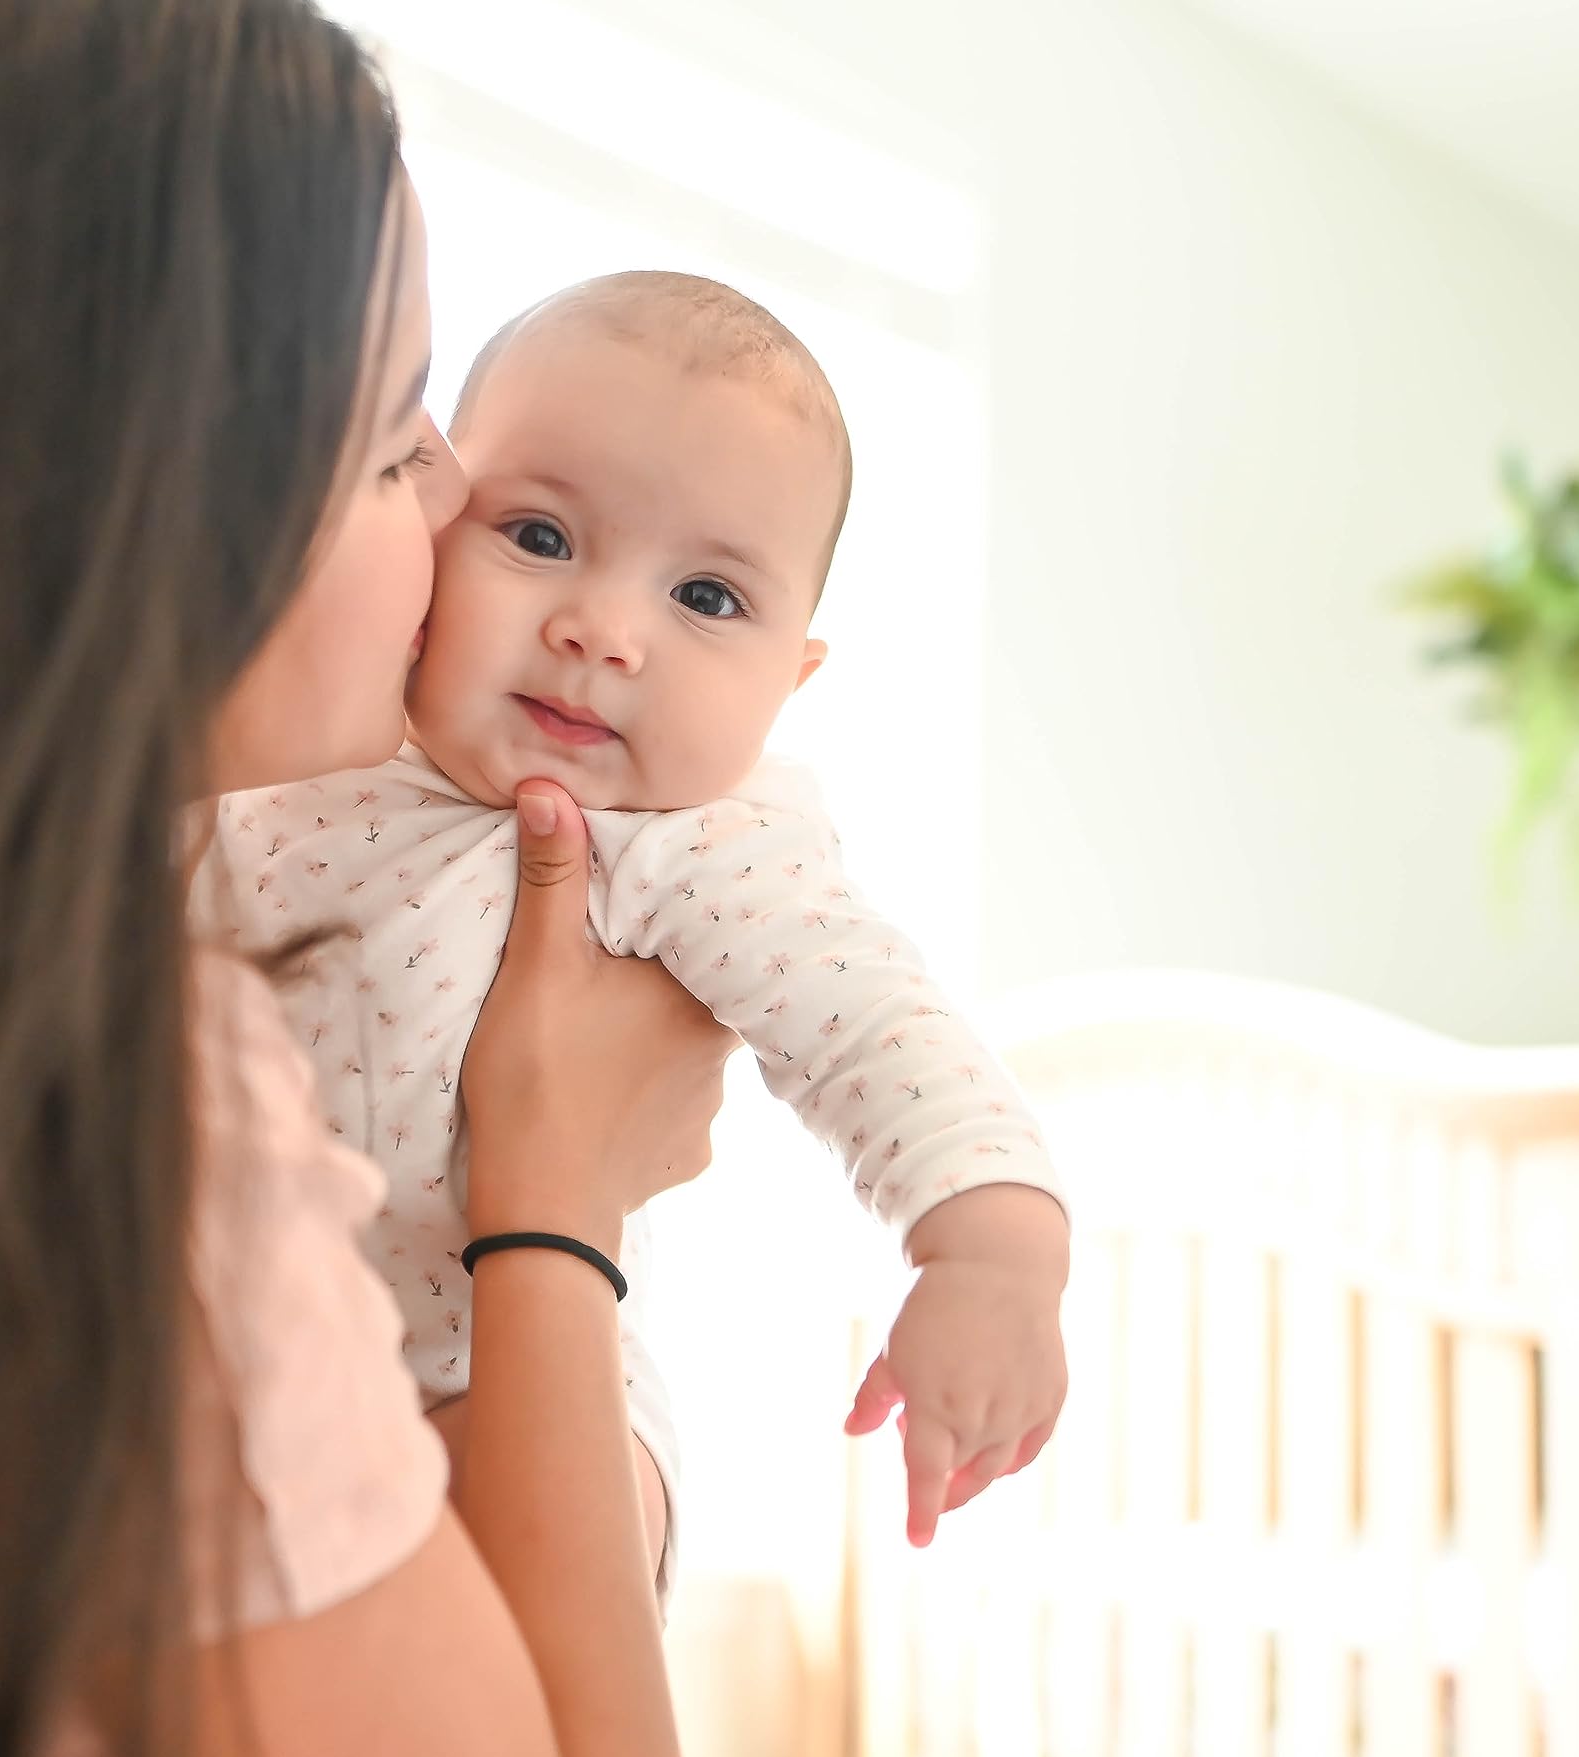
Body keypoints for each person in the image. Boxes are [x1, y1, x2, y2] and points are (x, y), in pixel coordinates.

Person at [0, 2, 722, 1752]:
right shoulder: (108, 1121)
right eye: (396, 428)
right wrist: (561, 1190)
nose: (459, 482)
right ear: (135, 502)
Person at [204, 271, 1070, 1575]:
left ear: (791, 682)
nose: (601, 631)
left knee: (537, 1543)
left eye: (707, 598)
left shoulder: (697, 840)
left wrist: (994, 1253)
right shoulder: (315, 737)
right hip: (240, 1349)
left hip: (495, 1379)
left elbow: (876, 1028)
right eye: (541, 537)